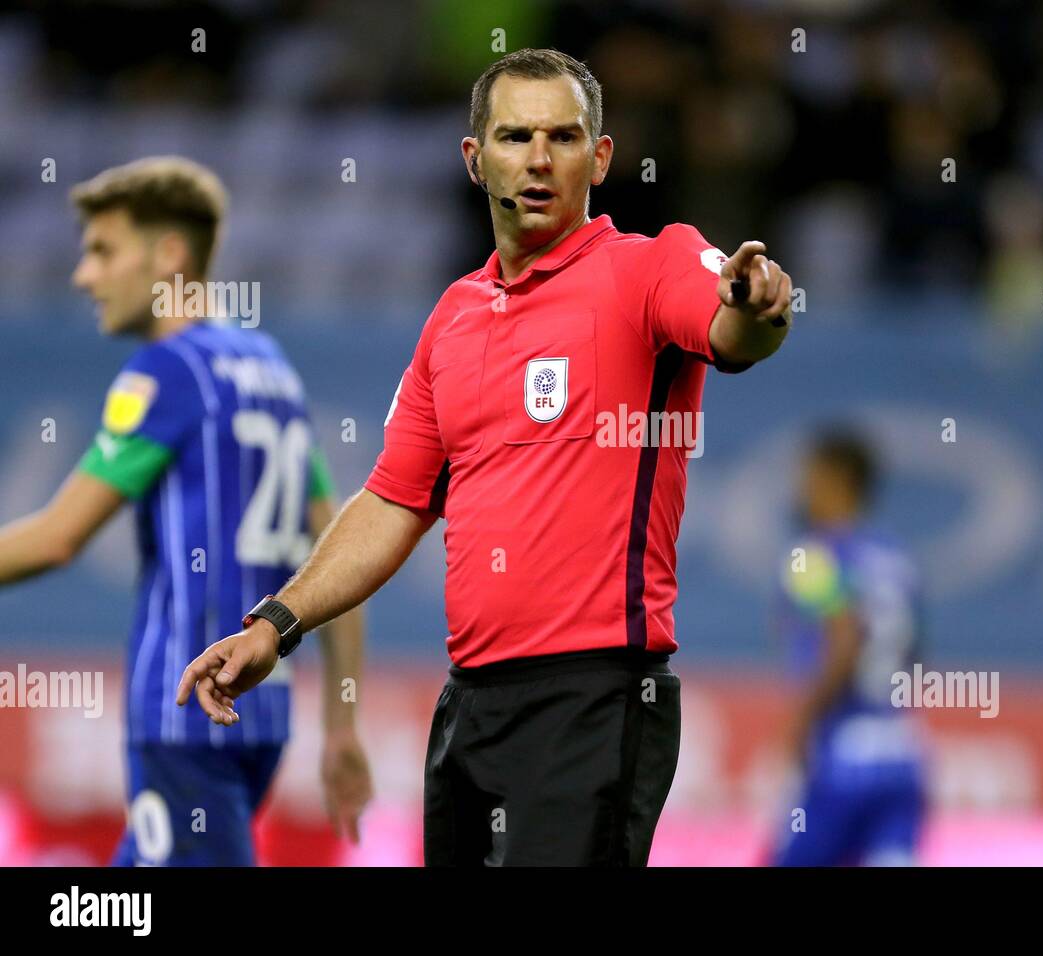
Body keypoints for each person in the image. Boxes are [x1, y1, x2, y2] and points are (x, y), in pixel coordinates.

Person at [176, 48, 793, 866]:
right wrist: (277, 624)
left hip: (596, 696)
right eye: (515, 136)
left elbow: (734, 326)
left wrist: (760, 304)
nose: (539, 160)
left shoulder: (649, 268)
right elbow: (394, 501)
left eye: (565, 138)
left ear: (600, 157)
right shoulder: (453, 318)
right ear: (476, 159)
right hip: (470, 704)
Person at [0, 156, 372, 865]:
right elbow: (340, 555)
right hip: (262, 718)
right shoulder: (275, 373)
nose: (84, 275)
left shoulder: (166, 371)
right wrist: (341, 725)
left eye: (103, 251)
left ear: (169, 254)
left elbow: (56, 538)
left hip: (186, 710)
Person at [769, 430, 929, 866]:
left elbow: (845, 634)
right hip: (904, 754)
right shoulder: (897, 560)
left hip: (844, 757)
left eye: (810, 475)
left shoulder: (813, 557)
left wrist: (803, 719)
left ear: (837, 479)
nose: (801, 488)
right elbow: (914, 652)